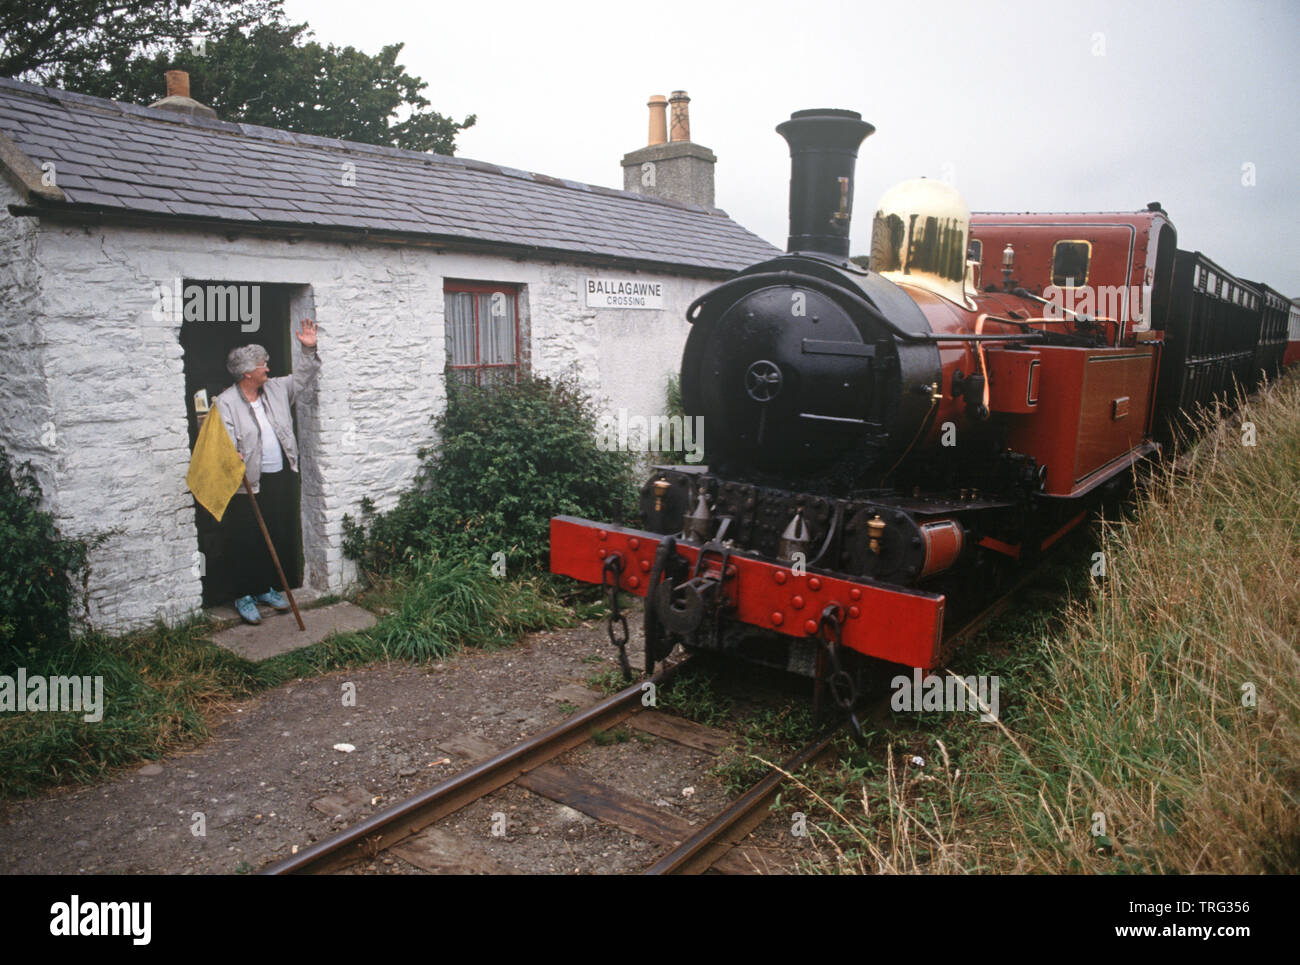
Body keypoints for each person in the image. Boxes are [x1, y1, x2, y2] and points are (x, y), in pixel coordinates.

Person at [215, 319, 321, 624]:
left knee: (273, 533)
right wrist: (230, 453)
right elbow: (224, 439)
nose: (268, 368)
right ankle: (243, 594)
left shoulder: (275, 389)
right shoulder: (226, 403)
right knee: (245, 537)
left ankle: (264, 588)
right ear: (247, 372)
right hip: (245, 481)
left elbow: (303, 375)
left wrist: (308, 349)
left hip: (279, 475)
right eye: (263, 364)